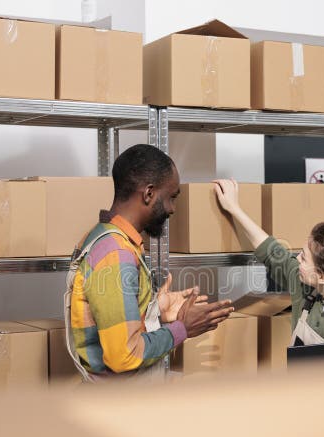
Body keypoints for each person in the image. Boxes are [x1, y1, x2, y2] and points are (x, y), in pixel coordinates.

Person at [64, 145, 234, 382]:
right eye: (171, 197)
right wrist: (182, 328)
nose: (172, 209)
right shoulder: (115, 252)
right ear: (149, 193)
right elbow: (124, 355)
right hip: (118, 405)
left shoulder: (108, 237)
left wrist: (156, 313)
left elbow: (114, 323)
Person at [213, 178, 324, 357]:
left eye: (304, 257)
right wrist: (234, 208)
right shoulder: (306, 289)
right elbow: (272, 251)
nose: (297, 259)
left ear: (322, 276)